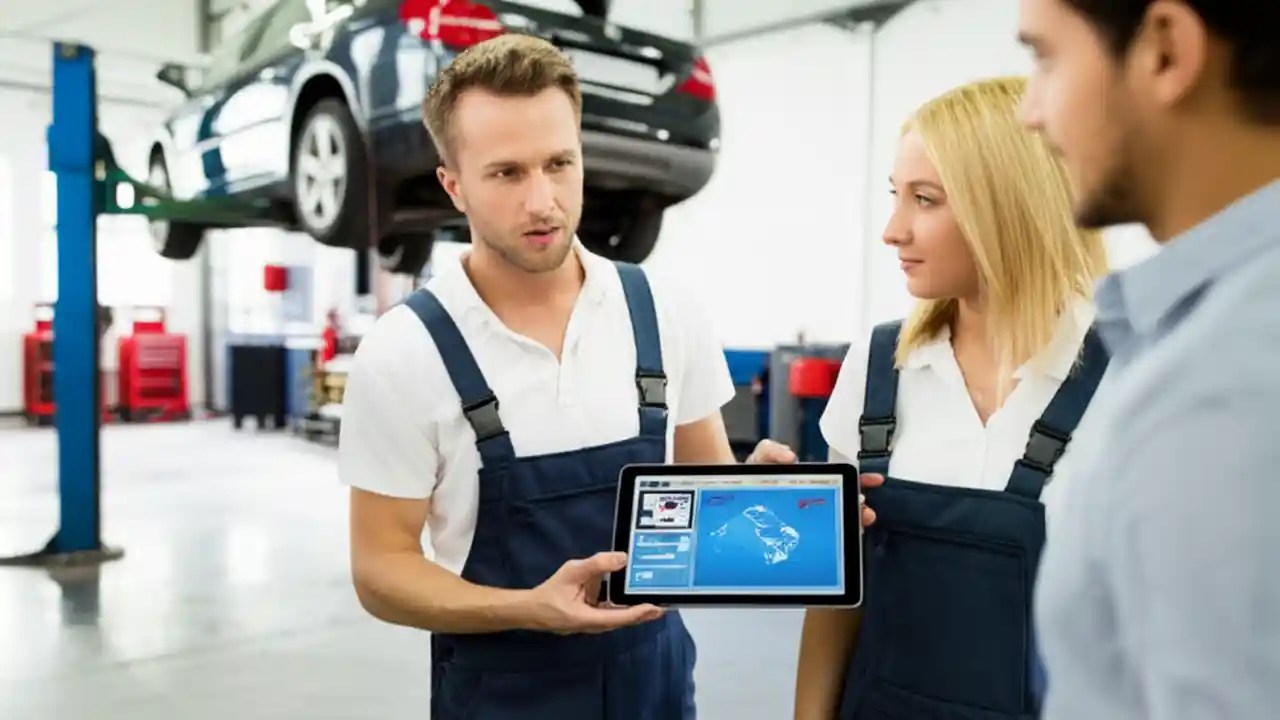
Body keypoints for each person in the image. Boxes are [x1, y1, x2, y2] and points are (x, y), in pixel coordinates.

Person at [336, 33, 790, 719]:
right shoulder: (404, 352)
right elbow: (380, 570)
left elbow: (706, 495)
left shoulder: (665, 311)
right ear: (454, 185)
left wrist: (760, 498)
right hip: (503, 693)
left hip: (656, 684)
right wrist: (527, 608)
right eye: (506, 173)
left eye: (559, 164)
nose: (542, 201)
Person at [792, 76, 1111, 720]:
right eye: (896, 196)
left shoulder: (1127, 379)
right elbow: (836, 599)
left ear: (1009, 207)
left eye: (925, 200)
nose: (893, 230)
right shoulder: (878, 366)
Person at [1015, 1, 1280, 717]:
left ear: (1165, 51)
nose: (1030, 113)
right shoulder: (1200, 333)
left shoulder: (1228, 379)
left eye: (1045, 58)